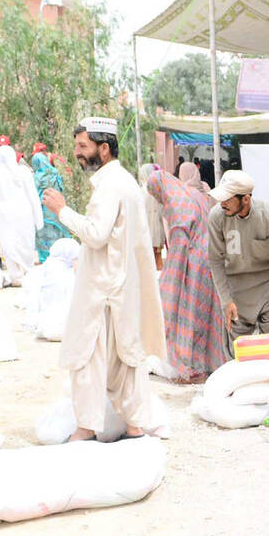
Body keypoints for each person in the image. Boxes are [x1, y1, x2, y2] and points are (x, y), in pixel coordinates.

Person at [41, 117, 167, 441]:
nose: (77, 153)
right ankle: (135, 425)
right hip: (121, 285)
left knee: (87, 357)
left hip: (104, 290)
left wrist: (62, 210)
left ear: (104, 148)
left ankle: (85, 428)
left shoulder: (111, 185)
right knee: (126, 355)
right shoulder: (122, 181)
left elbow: (96, 235)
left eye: (83, 146)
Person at [147, 163, 230, 381]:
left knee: (187, 314)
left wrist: (171, 275)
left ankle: (187, 366)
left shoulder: (179, 200)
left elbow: (180, 242)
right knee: (207, 313)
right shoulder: (202, 195)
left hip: (191, 264)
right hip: (210, 259)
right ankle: (207, 363)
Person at [207, 170, 269, 347]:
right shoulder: (216, 217)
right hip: (236, 291)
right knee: (237, 355)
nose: (221, 203)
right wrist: (226, 300)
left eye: (227, 199)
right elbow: (215, 260)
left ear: (246, 199)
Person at [0, 144, 43, 286]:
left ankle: (16, 276)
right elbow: (33, 196)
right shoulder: (24, 172)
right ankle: (26, 271)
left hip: (6, 216)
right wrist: (39, 219)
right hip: (24, 214)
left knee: (10, 244)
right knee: (24, 242)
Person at [31, 151, 68, 264]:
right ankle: (59, 257)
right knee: (56, 233)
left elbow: (34, 194)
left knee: (44, 235)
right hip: (54, 210)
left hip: (42, 211)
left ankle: (45, 259)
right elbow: (61, 190)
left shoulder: (36, 177)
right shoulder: (55, 173)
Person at [138, 163, 166, 270]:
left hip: (146, 230)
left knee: (147, 263)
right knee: (158, 260)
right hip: (158, 229)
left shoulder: (141, 192)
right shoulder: (158, 189)